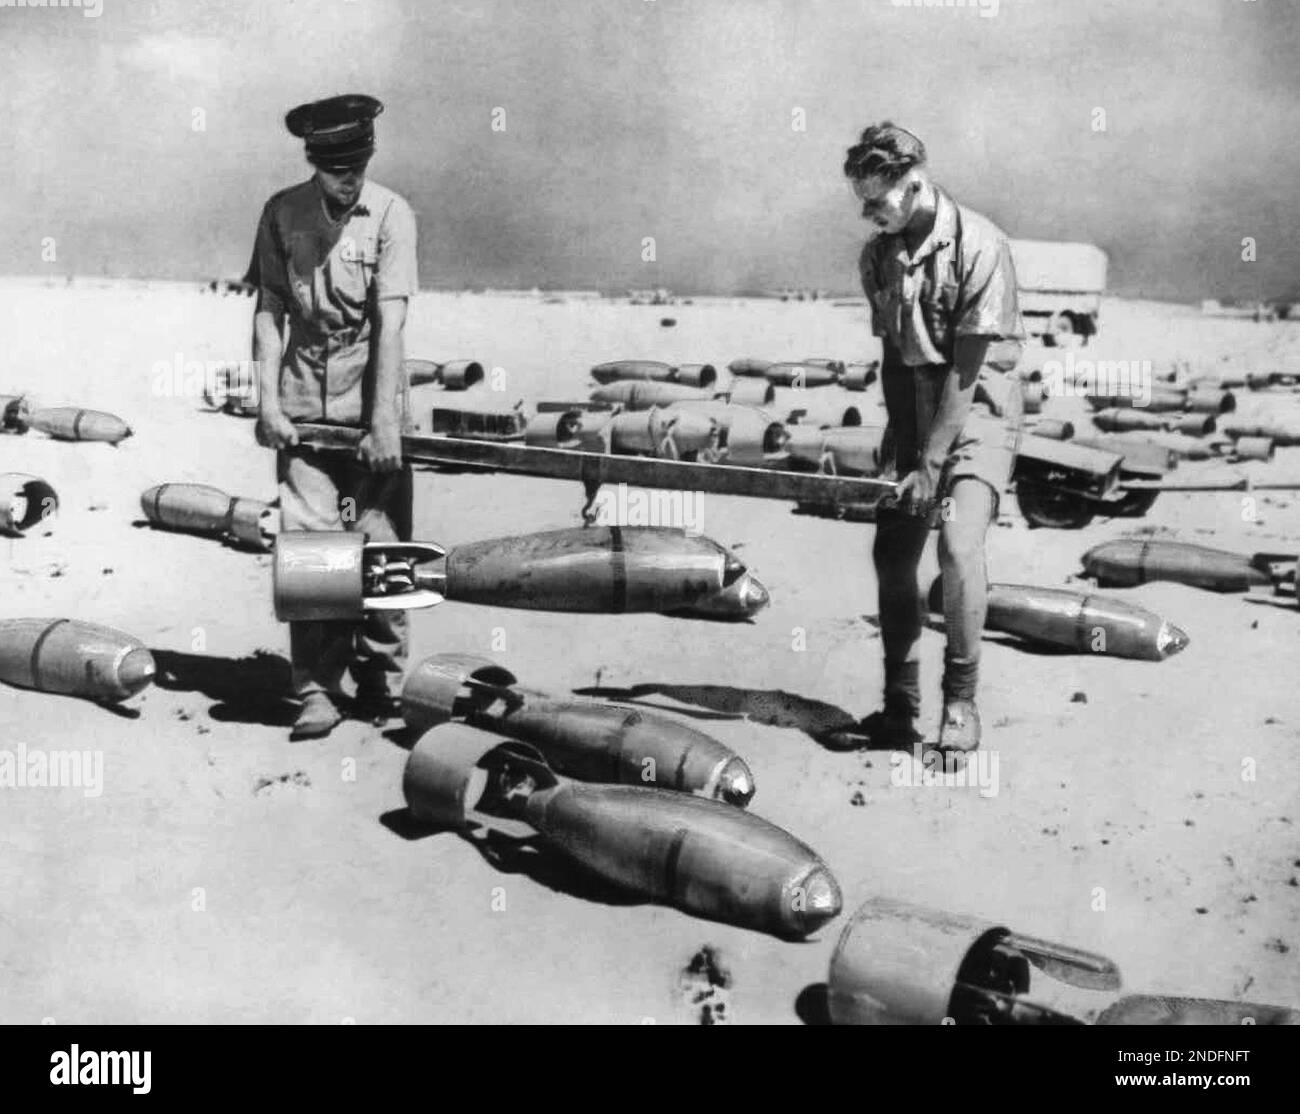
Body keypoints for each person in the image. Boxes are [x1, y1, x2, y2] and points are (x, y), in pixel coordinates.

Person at [845, 122, 1024, 754]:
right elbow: (895, 358)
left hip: (978, 411)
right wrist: (906, 451)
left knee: (955, 544)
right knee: (893, 556)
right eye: (861, 201)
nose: (867, 213)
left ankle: (960, 703)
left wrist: (933, 461)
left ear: (914, 183)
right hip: (916, 414)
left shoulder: (979, 244)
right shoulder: (877, 256)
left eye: (876, 200)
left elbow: (968, 369)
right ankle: (900, 706)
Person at [251, 93, 419, 740]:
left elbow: (391, 321)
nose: (346, 178)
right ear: (313, 161)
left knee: (380, 545)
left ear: (369, 155)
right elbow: (269, 305)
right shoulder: (281, 212)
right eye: (333, 166)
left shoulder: (392, 215)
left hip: (370, 393)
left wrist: (383, 423)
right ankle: (318, 689)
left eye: (356, 163)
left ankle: (382, 683)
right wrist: (268, 401)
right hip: (300, 401)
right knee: (314, 549)